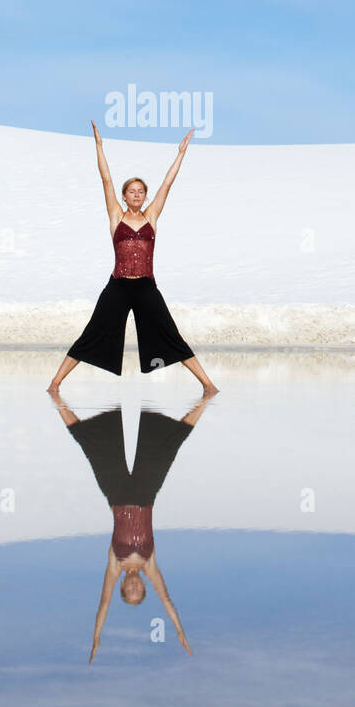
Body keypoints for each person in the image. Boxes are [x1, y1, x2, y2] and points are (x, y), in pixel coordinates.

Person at [45, 121, 218, 393]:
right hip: (119, 285)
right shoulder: (117, 216)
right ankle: (55, 383)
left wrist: (181, 154)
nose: (137, 195)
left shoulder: (151, 216)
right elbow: (106, 179)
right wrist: (99, 147)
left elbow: (167, 183)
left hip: (146, 286)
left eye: (141, 191)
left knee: (169, 332)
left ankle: (208, 385)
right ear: (125, 197)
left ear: (145, 196)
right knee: (94, 331)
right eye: (132, 191)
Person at [47, 384, 216, 661]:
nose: (136, 589)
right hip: (147, 492)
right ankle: (205, 402)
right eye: (140, 593)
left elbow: (103, 603)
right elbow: (167, 600)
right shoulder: (149, 565)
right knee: (170, 445)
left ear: (124, 588)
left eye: (130, 592)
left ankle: (57, 400)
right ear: (144, 587)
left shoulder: (116, 564)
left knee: (89, 445)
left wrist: (96, 638)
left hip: (116, 492)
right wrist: (178, 629)